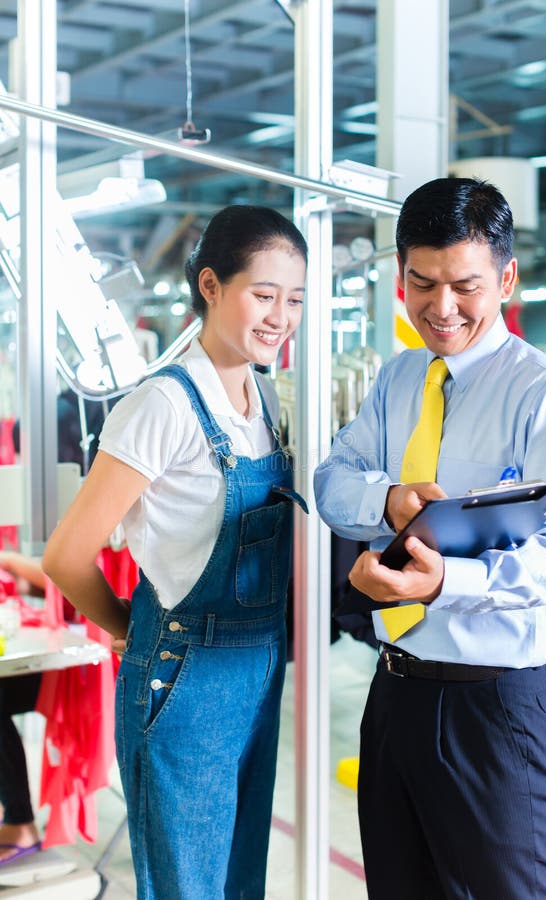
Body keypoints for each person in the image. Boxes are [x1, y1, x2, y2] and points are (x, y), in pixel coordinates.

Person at [314, 177, 546, 900]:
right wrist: (390, 497)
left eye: (466, 286)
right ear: (400, 275)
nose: (441, 308)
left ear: (506, 278)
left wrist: (446, 583)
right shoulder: (400, 378)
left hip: (496, 706)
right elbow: (332, 479)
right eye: (422, 283)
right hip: (396, 690)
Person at [42, 205, 308, 900]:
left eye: (295, 299)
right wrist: (138, 634)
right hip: (185, 678)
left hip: (257, 668)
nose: (281, 315)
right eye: (264, 294)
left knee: (239, 877)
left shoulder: (264, 398)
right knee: (188, 887)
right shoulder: (163, 404)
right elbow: (67, 555)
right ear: (213, 287)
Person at [0, 552, 45, 864]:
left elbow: (62, 573)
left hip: (102, 656)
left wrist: (7, 558)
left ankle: (21, 823)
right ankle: (17, 818)